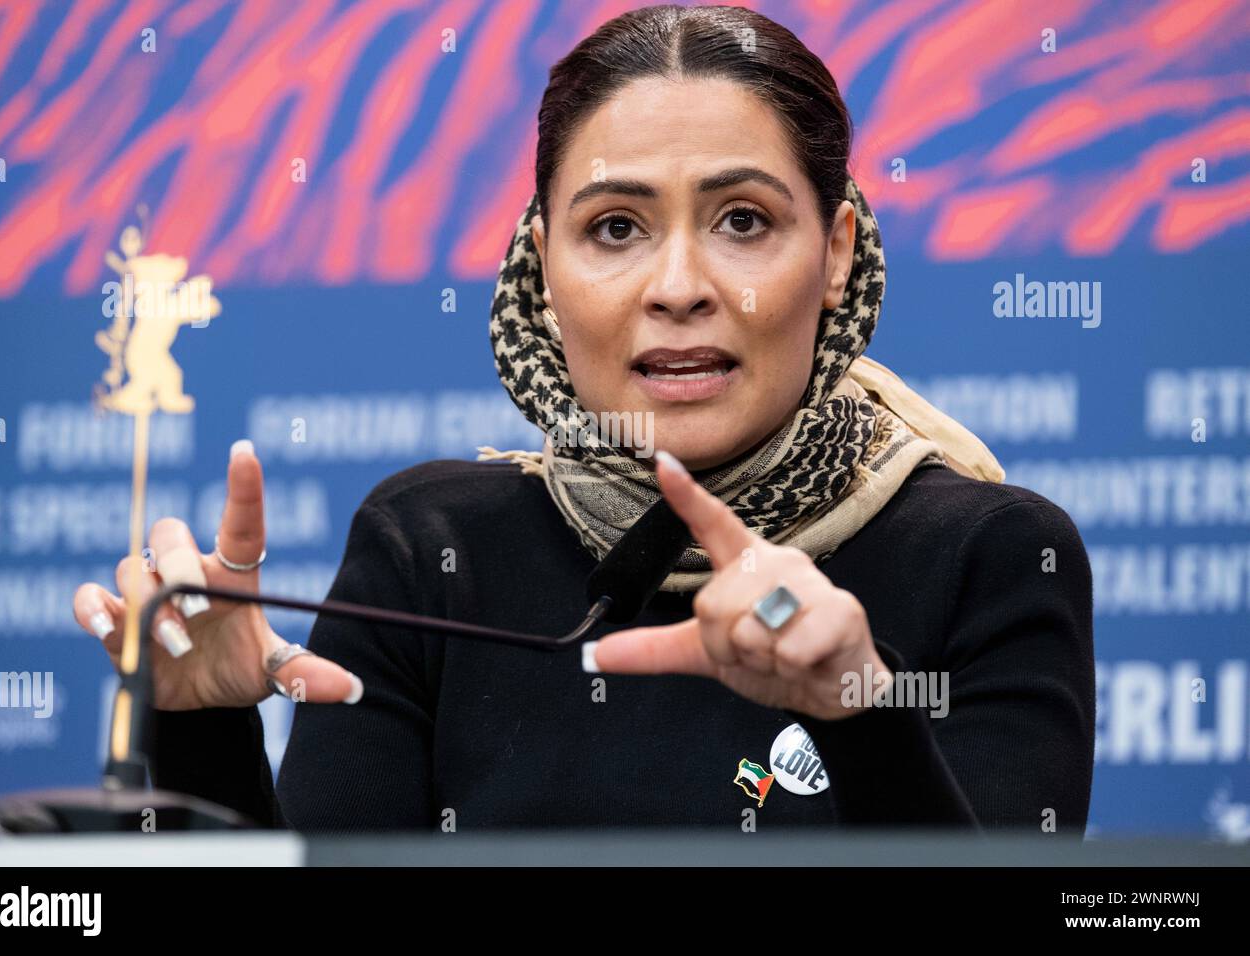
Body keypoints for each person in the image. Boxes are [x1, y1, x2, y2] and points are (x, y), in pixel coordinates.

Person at [72, 4, 1094, 832]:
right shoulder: (428, 548)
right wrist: (198, 728)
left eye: (743, 221)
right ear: (543, 271)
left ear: (833, 254)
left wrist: (863, 712)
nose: (680, 284)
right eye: (615, 228)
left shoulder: (991, 554)